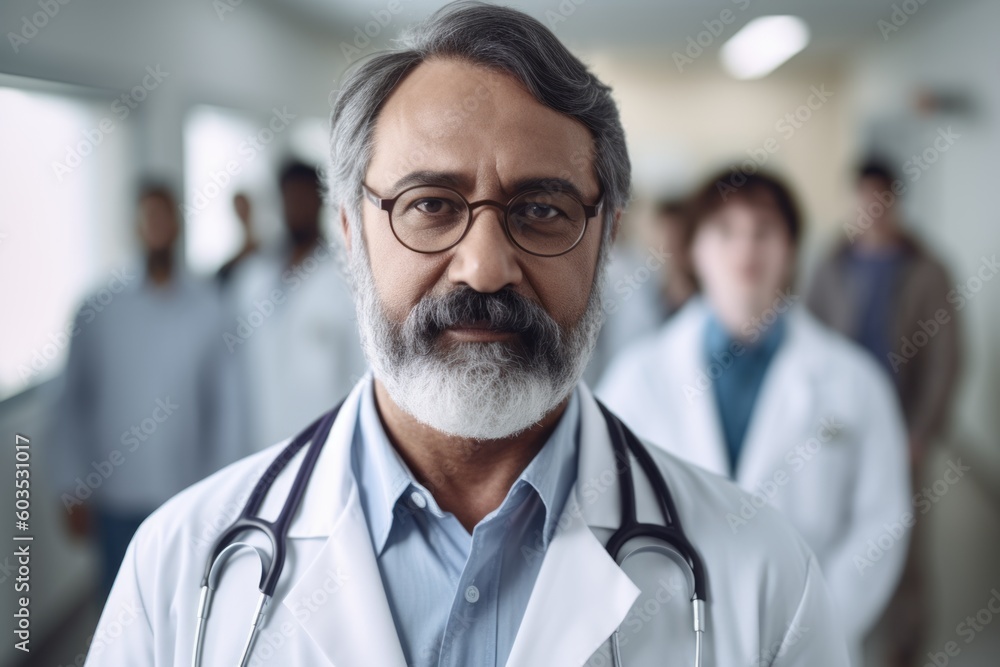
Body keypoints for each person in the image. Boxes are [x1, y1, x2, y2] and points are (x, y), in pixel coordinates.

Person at [86, 5, 850, 665]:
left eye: (542, 210)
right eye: (431, 205)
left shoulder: (761, 574)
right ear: (351, 232)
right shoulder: (177, 568)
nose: (485, 269)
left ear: (607, 238)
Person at [597, 168, 910, 665]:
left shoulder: (854, 382)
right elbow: (599, 512)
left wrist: (814, 624)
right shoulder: (637, 379)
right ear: (695, 250)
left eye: (764, 231)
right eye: (724, 231)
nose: (746, 249)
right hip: (669, 642)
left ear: (790, 250)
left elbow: (882, 521)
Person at [51, 183, 246, 597]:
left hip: (188, 497)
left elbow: (226, 406)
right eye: (147, 218)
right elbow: (71, 403)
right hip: (115, 497)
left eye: (164, 216)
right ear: (135, 227)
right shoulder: (98, 307)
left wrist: (227, 491)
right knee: (118, 614)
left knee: (184, 608)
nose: (156, 227)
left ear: (177, 223)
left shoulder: (210, 306)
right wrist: (70, 483)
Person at [806, 159, 962, 667]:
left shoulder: (927, 270)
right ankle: (837, 637)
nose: (870, 210)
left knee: (904, 543)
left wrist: (921, 433)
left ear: (894, 201)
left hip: (901, 434)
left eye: (881, 199)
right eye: (862, 198)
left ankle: (904, 646)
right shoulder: (831, 265)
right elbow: (807, 348)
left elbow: (946, 360)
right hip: (838, 432)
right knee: (835, 529)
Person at [226, 161, 366, 451]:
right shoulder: (253, 277)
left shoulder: (348, 278)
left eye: (304, 197)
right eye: (290, 197)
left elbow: (361, 371)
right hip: (259, 444)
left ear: (320, 201)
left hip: (326, 443)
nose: (296, 206)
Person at [215, 191, 258, 287]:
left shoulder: (265, 232)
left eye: (243, 205)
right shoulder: (225, 235)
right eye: (238, 206)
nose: (241, 210)